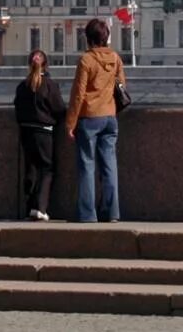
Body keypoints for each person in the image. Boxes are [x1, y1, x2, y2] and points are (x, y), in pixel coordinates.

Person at [66, 19, 126, 223]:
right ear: (106, 37)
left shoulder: (86, 60)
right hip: (110, 117)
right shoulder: (116, 58)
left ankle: (87, 214)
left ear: (88, 38)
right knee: (110, 165)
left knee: (87, 165)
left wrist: (70, 123)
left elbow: (78, 94)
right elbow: (121, 86)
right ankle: (111, 212)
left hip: (89, 117)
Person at [13, 49, 66, 221]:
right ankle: (41, 207)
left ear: (29, 64)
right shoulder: (50, 85)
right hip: (44, 132)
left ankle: (29, 207)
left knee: (31, 168)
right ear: (46, 65)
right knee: (47, 168)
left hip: (26, 131)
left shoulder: (22, 86)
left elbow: (18, 110)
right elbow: (58, 109)